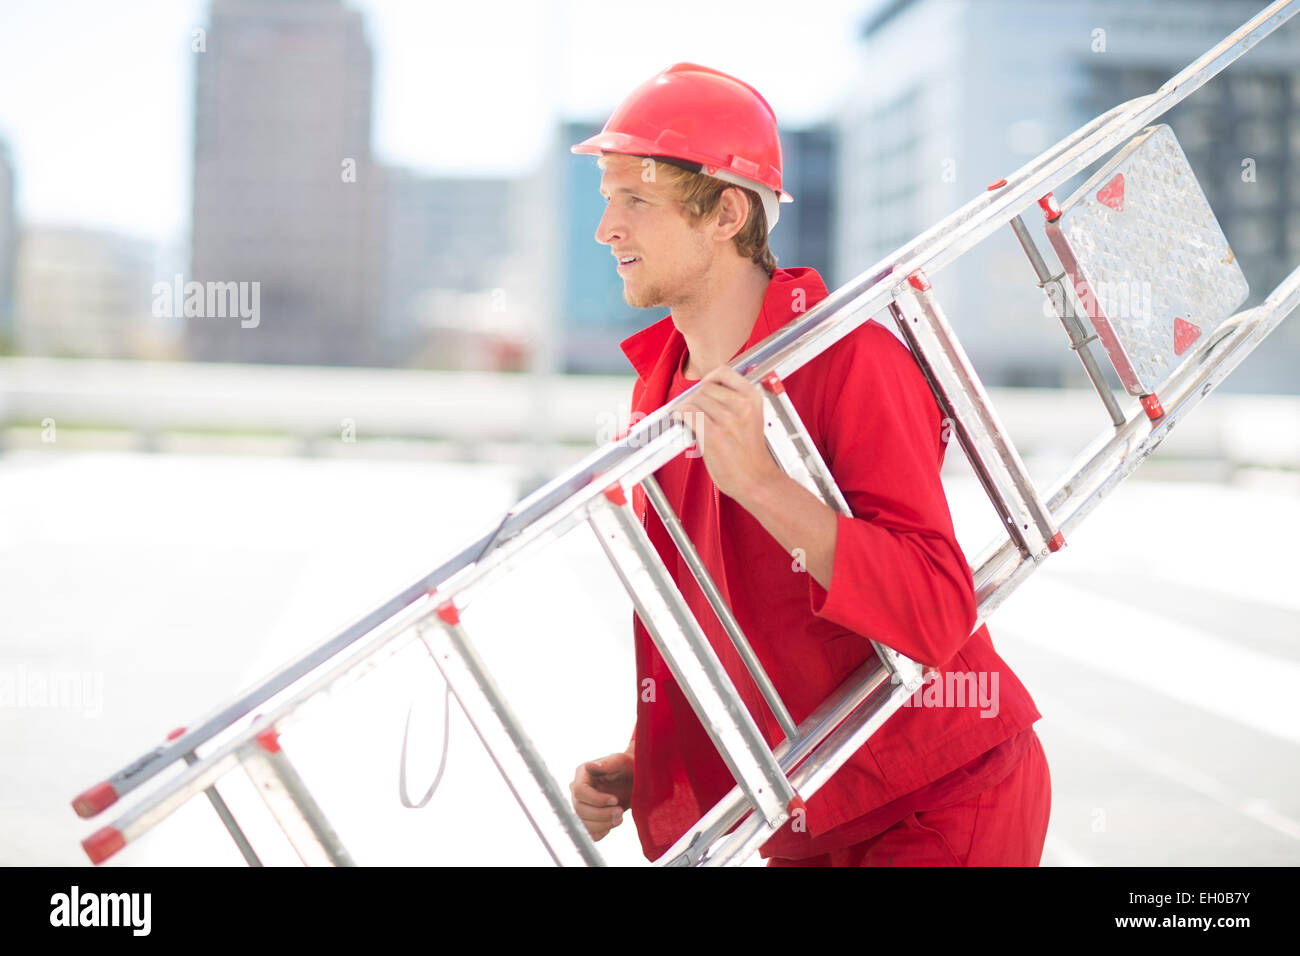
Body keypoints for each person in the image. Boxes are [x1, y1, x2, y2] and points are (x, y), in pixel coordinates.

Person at [567, 63, 1050, 867]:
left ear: (726, 212)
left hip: (938, 798)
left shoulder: (848, 360)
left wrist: (763, 485)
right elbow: (713, 611)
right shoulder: (657, 397)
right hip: (805, 814)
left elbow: (935, 610)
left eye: (636, 200)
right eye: (608, 199)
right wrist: (649, 757)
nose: (607, 229)